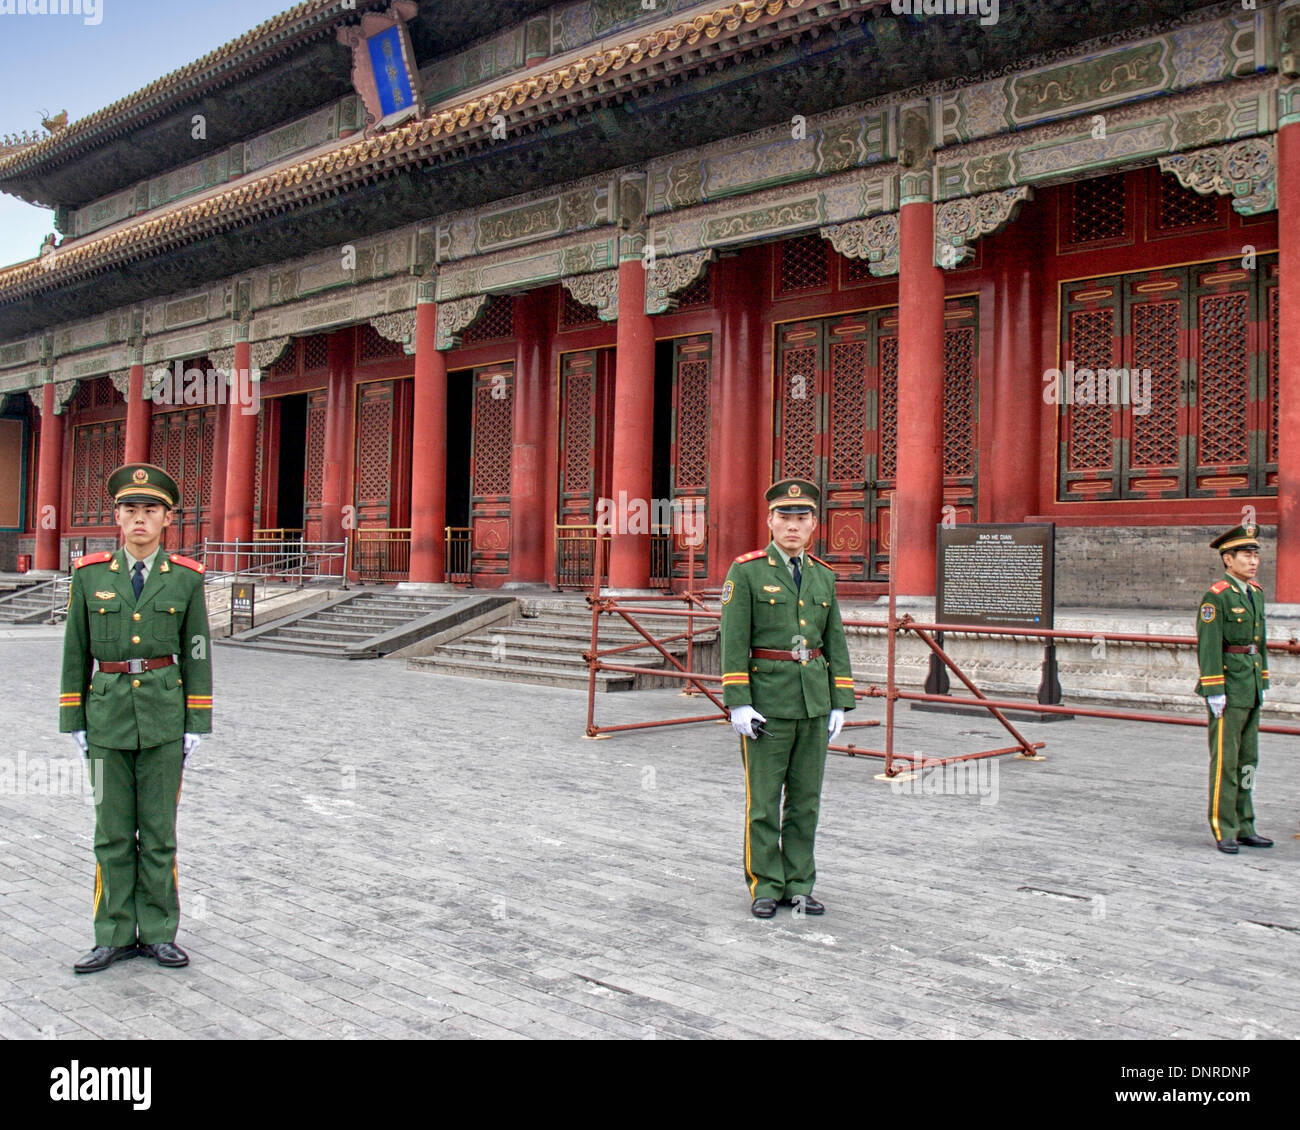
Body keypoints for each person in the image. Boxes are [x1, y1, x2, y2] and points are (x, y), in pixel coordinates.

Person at [60, 463, 212, 971]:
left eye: (151, 510)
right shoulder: (89, 576)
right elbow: (74, 650)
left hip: (165, 719)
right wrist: (73, 718)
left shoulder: (187, 580)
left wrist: (196, 724)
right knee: (112, 832)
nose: (140, 519)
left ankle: (159, 930)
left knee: (159, 831)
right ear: (118, 518)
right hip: (105, 719)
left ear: (167, 519)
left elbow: (198, 653)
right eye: (131, 510)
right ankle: (113, 932)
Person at [719, 479, 856, 918]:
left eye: (802, 519)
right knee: (763, 801)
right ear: (770, 521)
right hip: (767, 703)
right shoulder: (747, 571)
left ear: (815, 524)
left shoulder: (823, 574)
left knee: (805, 800)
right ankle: (764, 884)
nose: (793, 526)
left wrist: (839, 701)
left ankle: (799, 883)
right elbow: (734, 640)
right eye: (785, 518)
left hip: (812, 702)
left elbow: (834, 641)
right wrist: (738, 701)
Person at [1196, 524, 1270, 855]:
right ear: (1228, 559)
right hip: (1227, 684)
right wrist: (1214, 688)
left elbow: (1260, 642)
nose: (1253, 561)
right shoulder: (1217, 596)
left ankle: (1246, 824)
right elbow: (1208, 644)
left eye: (1255, 555)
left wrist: (1263, 680)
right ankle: (1224, 827)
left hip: (1250, 683)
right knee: (1226, 762)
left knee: (1248, 760)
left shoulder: (1255, 593)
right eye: (1246, 555)